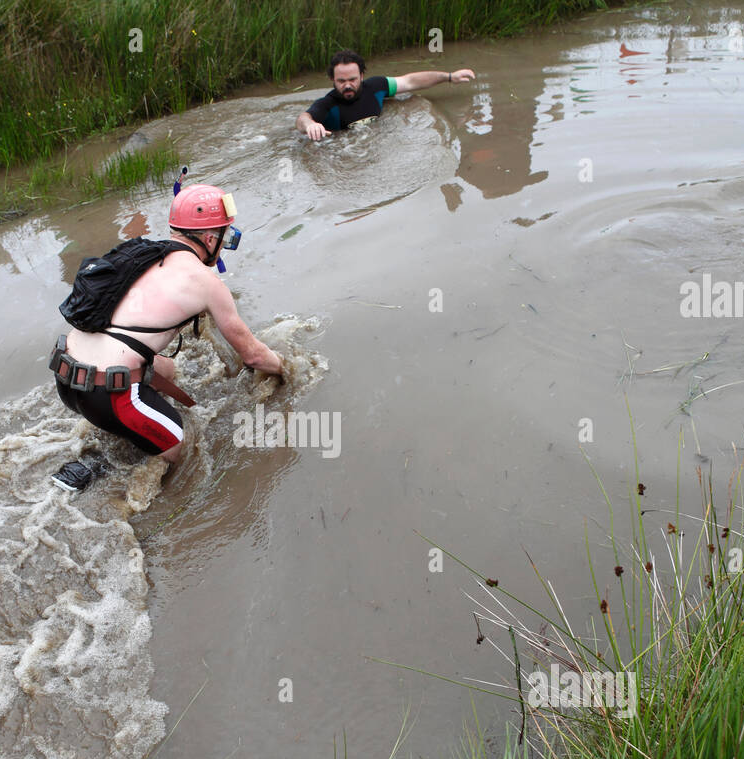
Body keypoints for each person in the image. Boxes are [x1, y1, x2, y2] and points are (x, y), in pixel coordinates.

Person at [50, 184, 283, 490]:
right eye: (225, 236)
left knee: (168, 371)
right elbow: (253, 355)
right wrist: (287, 366)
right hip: (110, 396)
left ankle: (119, 436)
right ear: (211, 239)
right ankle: (100, 469)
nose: (224, 244)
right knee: (183, 451)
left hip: (65, 377)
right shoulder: (206, 283)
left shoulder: (142, 253)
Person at [294, 49, 476, 140]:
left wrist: (450, 77)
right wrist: (310, 125)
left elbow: (411, 81)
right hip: (339, 146)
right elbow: (303, 118)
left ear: (362, 76)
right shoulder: (328, 104)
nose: (347, 85)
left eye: (352, 79)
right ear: (332, 80)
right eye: (341, 81)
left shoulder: (376, 87)